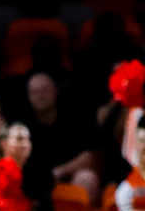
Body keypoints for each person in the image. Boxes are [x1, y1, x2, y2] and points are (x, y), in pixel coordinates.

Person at [19, 70, 100, 199]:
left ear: (55, 91)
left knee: (87, 177)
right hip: (36, 186)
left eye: (44, 90)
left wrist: (60, 172)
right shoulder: (21, 127)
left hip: (70, 178)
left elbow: (88, 157)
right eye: (34, 92)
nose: (40, 96)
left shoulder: (75, 117)